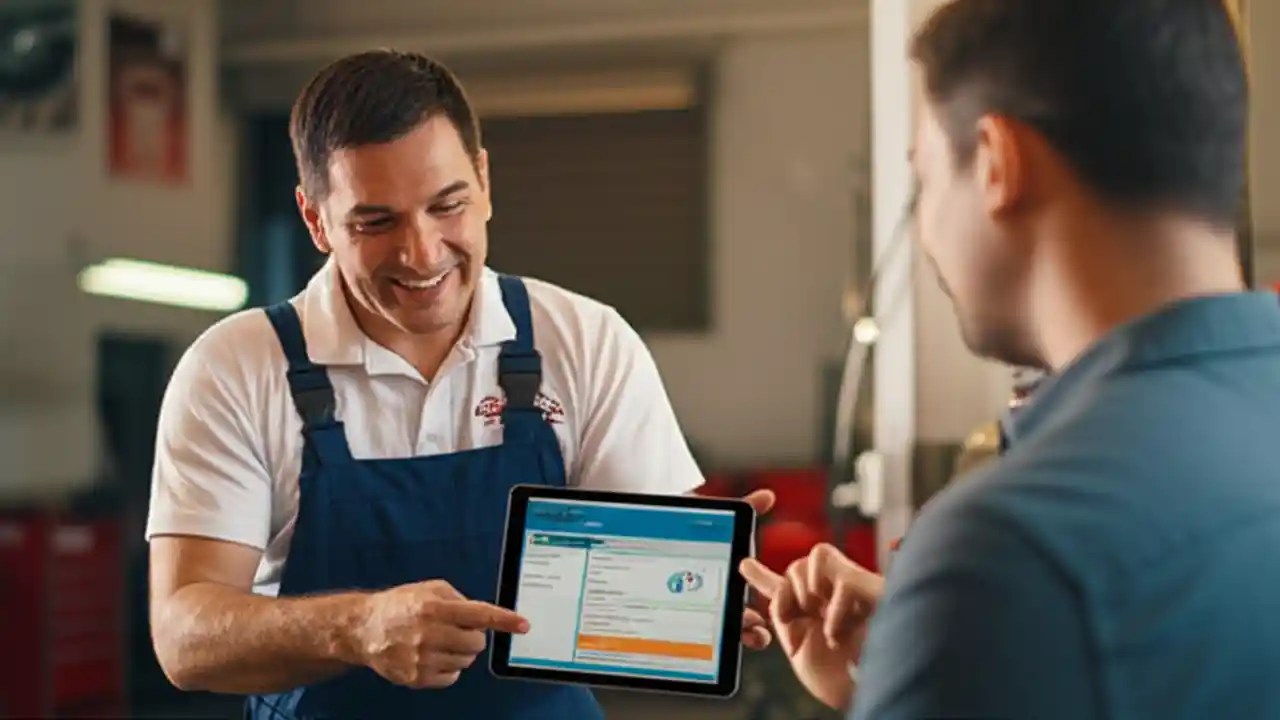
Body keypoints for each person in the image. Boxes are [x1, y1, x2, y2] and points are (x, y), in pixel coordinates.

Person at [145, 50, 772, 719]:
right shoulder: (237, 368)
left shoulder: (585, 341)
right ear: (316, 220)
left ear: (484, 179)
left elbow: (640, 601)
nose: (422, 253)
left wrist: (698, 604)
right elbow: (184, 639)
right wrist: (355, 627)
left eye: (448, 205)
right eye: (376, 221)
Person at [742, 1, 1280, 718]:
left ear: (998, 163)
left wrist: (951, 628)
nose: (927, 227)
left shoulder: (1006, 554)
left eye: (924, 180)